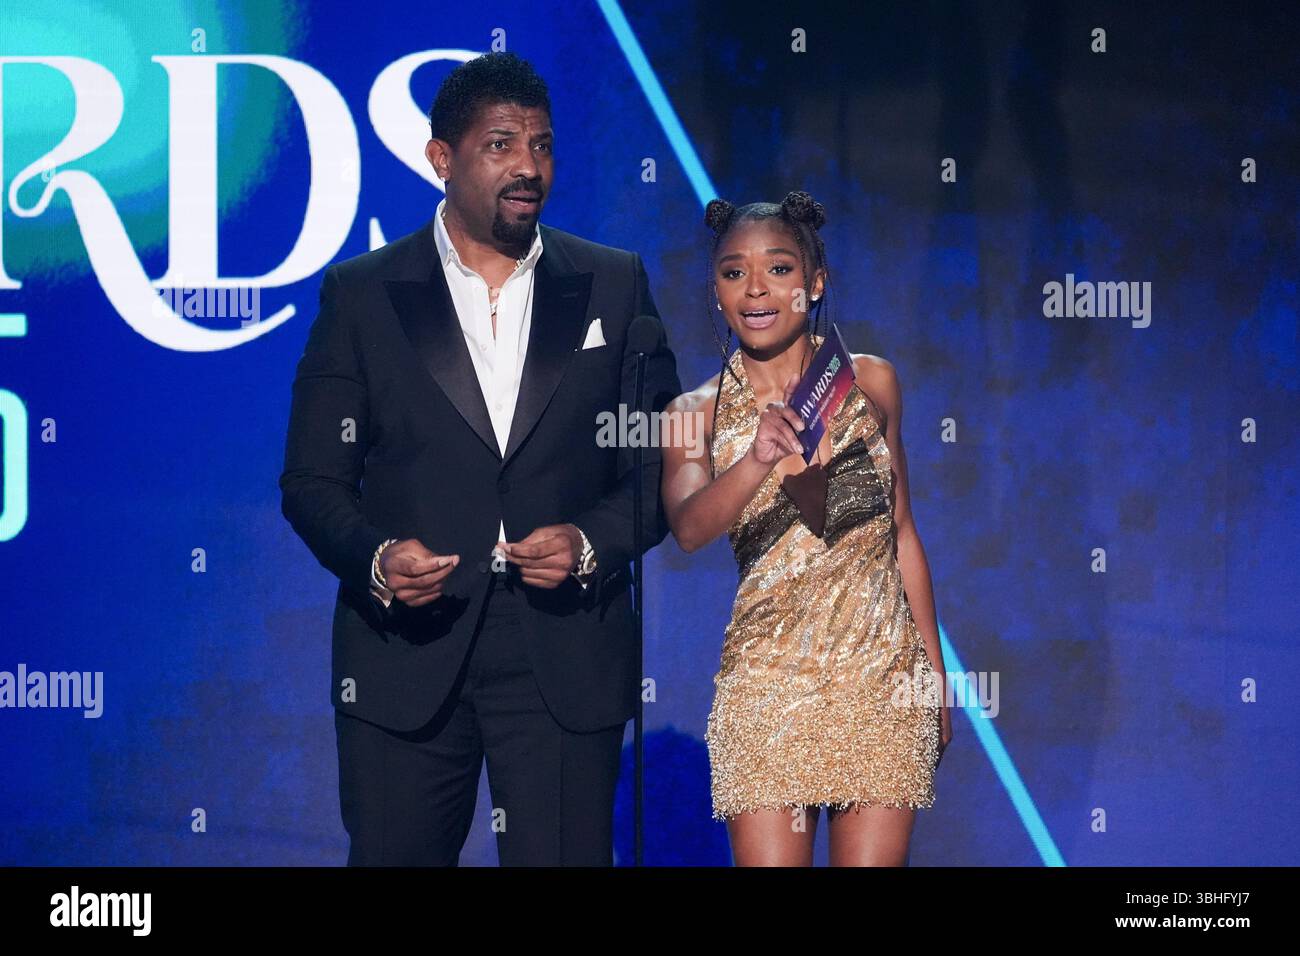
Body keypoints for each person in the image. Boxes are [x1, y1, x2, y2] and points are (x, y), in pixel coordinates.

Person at [279, 52, 680, 866]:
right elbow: (312, 481)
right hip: (405, 652)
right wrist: (380, 558)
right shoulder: (362, 294)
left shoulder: (613, 284)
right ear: (441, 159)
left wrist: (591, 544)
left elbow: (658, 469)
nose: (528, 166)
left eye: (542, 145)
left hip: (564, 653)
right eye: (501, 144)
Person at [660, 190, 952, 866]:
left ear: (815, 282)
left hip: (881, 681)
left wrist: (932, 682)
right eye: (734, 272)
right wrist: (756, 457)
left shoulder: (871, 382)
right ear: (716, 289)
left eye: (779, 269)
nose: (756, 289)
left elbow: (902, 532)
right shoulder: (691, 412)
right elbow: (689, 527)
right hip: (766, 688)